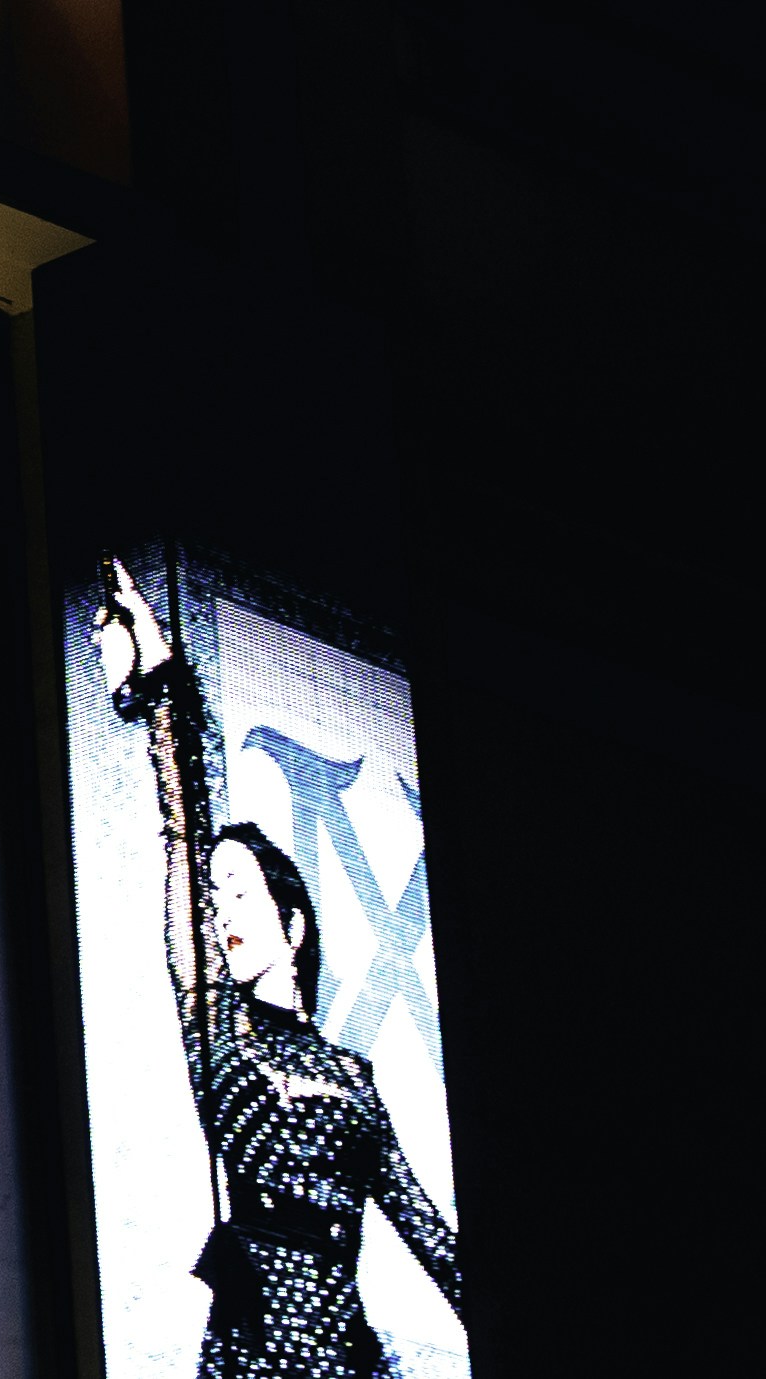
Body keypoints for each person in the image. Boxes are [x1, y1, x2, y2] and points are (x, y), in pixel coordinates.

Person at [95, 567, 467, 1377]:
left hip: (350, 1357)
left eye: (239, 890)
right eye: (213, 892)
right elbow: (181, 830)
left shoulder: (352, 1077)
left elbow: (429, 1232)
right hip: (255, 1351)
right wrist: (162, 688)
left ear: (292, 923)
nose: (220, 908)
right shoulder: (216, 1028)